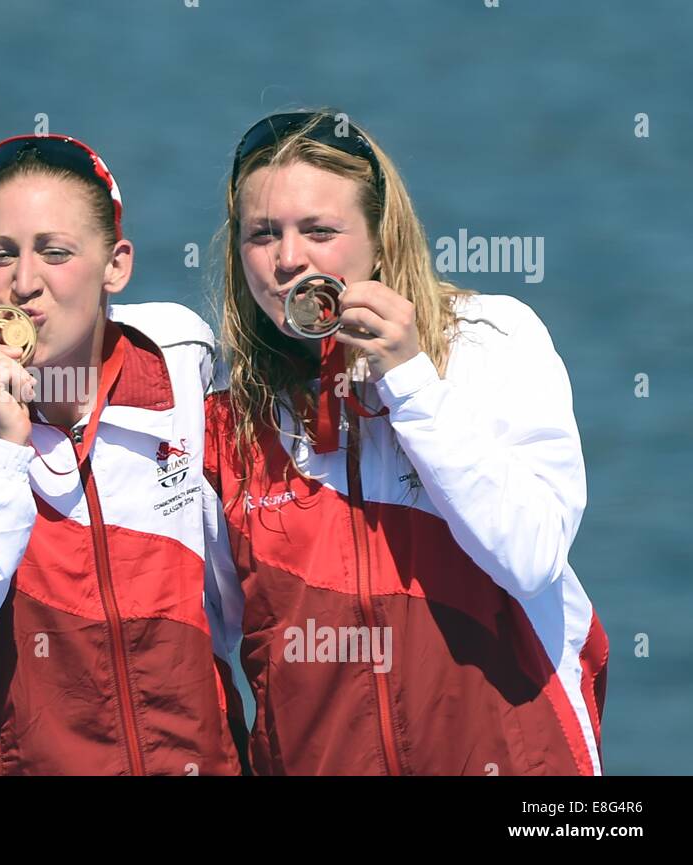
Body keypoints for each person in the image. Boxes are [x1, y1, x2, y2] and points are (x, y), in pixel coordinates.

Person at [203, 109, 608, 775]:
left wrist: (411, 382)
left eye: (321, 231)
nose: (287, 258)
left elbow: (531, 553)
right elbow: (210, 640)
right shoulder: (230, 411)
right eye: (263, 233)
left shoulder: (490, 339)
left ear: (379, 240)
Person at [0, 134, 243, 775]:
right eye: (2, 255)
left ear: (116, 265)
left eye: (55, 253)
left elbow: (239, 595)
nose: (24, 283)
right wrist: (1, 448)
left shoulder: (181, 361)